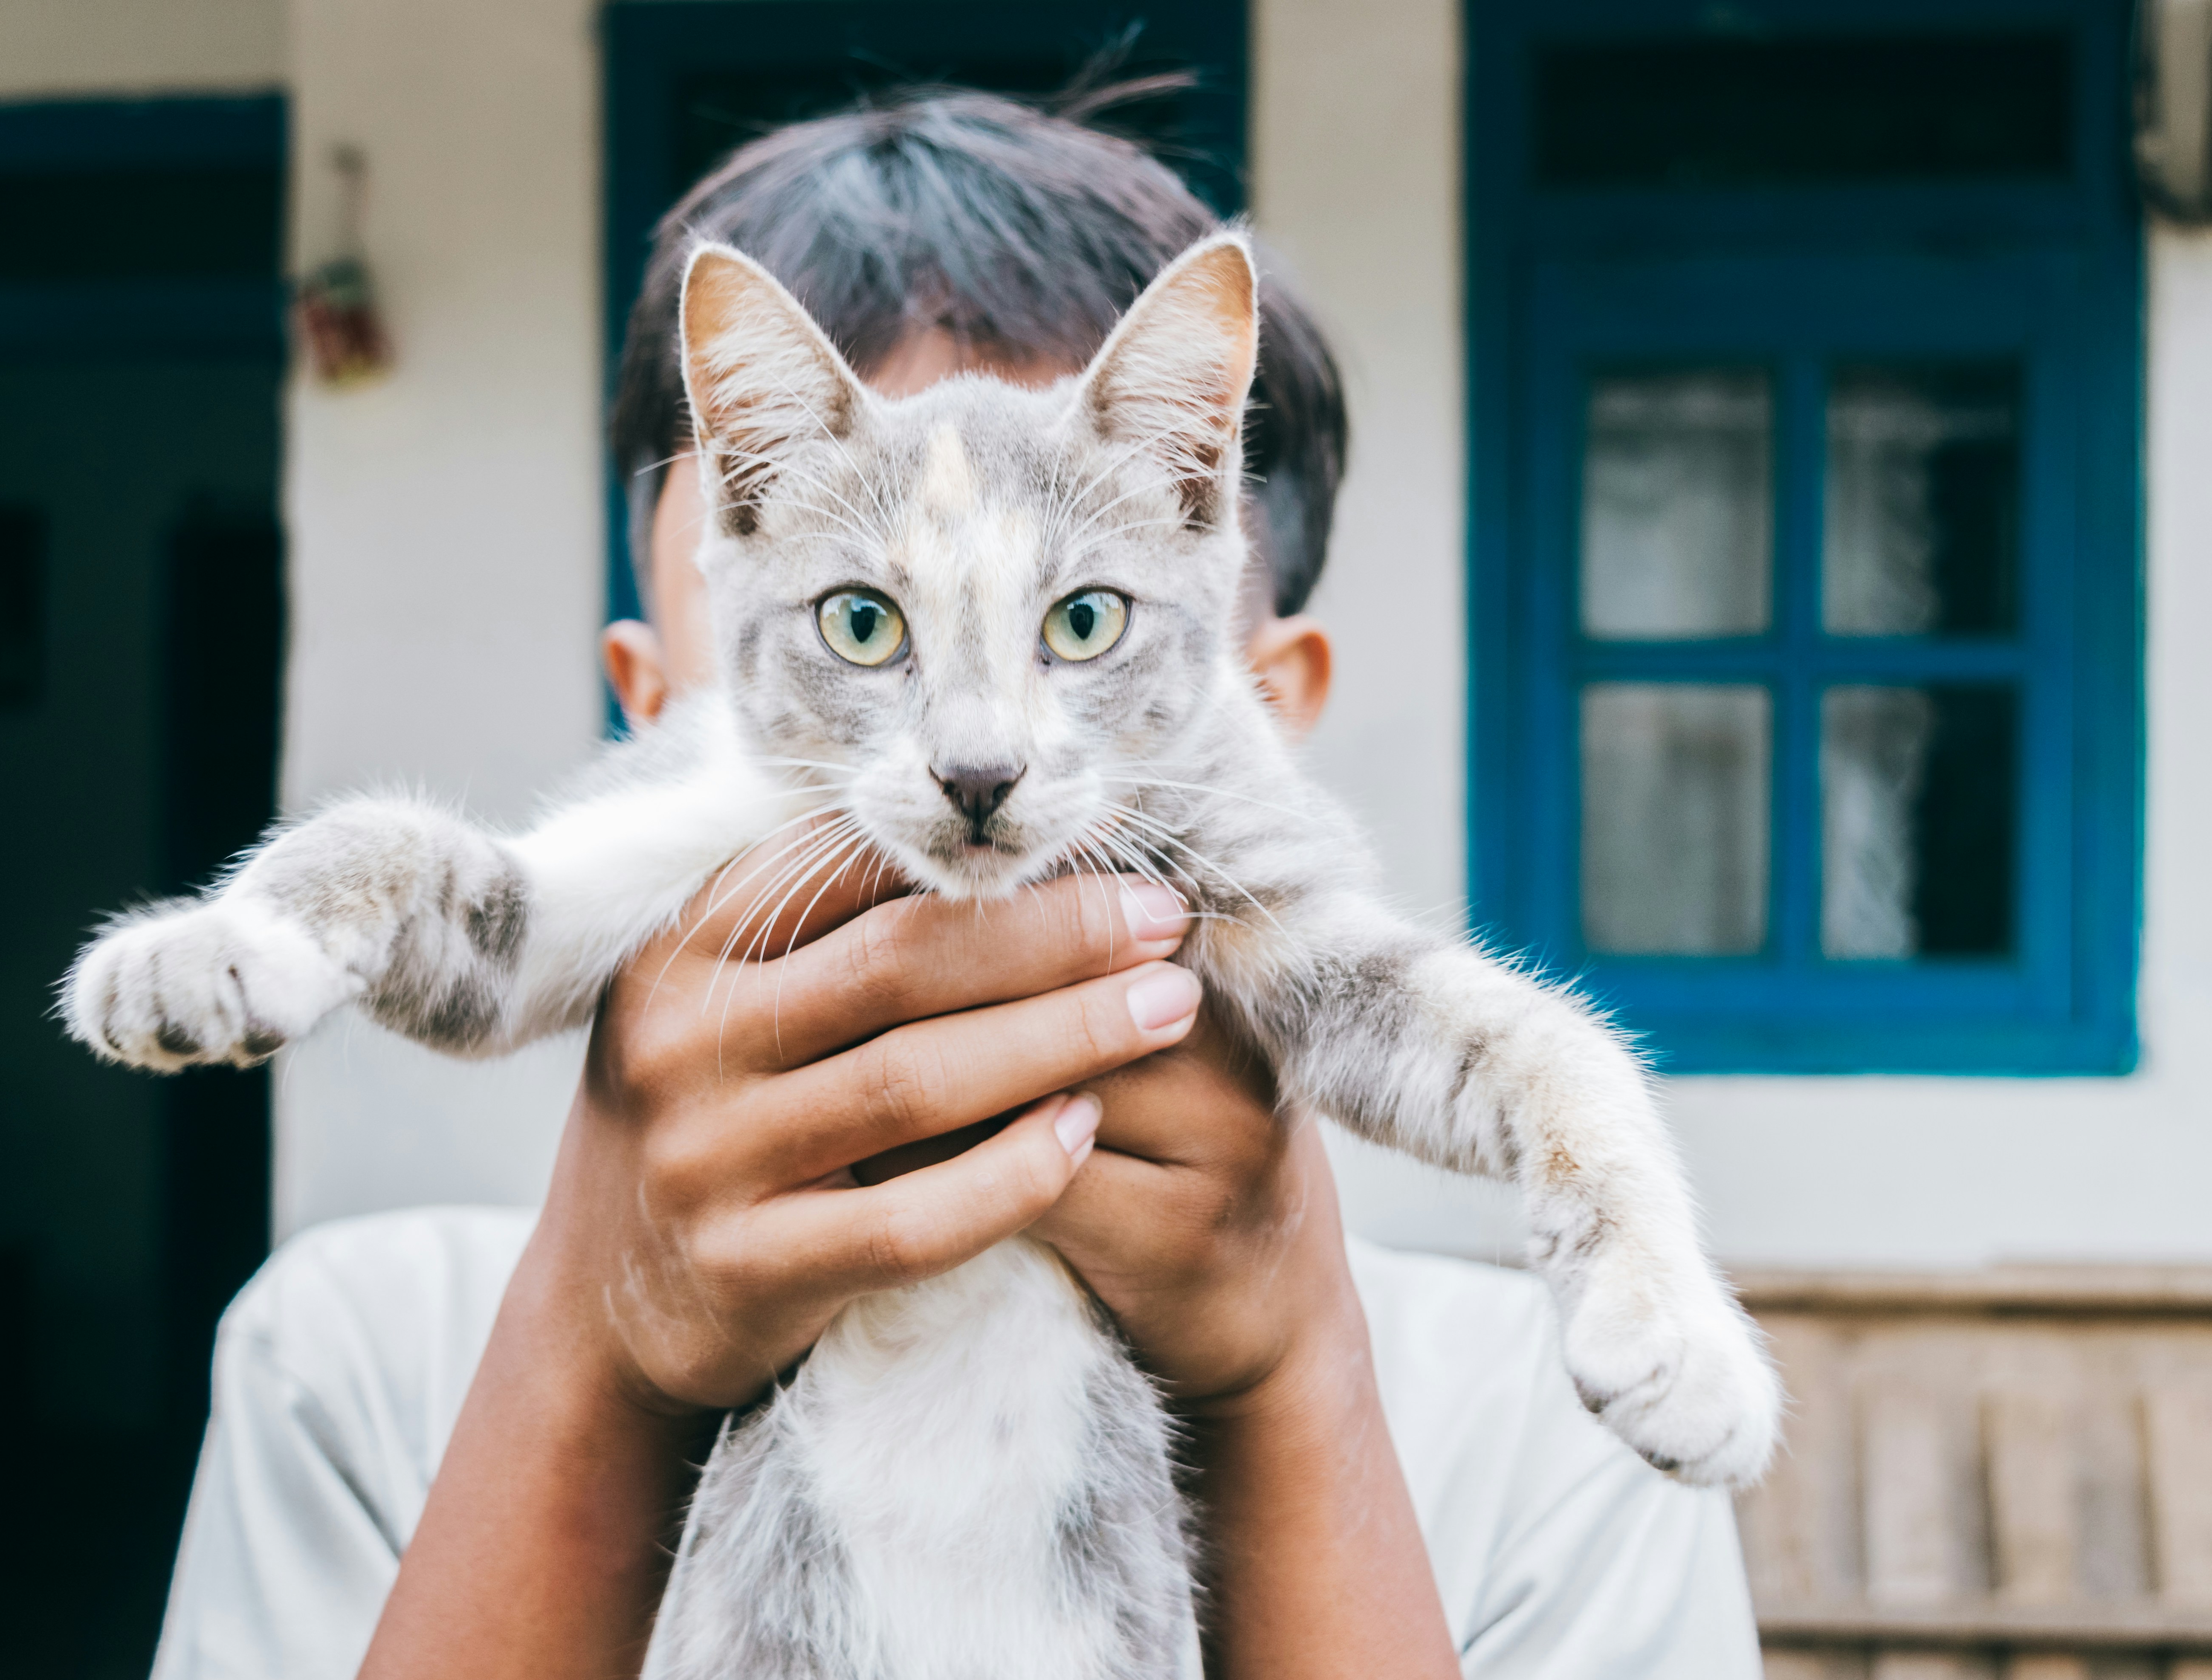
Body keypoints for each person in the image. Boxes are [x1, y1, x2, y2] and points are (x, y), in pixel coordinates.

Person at [148, 89, 1762, 1680]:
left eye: (1081, 625)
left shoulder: (1543, 1426)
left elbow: (1404, 1006)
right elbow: (487, 927)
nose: (978, 756)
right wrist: (596, 1331)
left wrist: (1294, 1363)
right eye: (865, 625)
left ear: (1254, 673)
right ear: (674, 689)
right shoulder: (353, 1359)